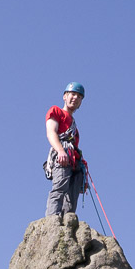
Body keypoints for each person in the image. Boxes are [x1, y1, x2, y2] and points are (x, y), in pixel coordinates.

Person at [45, 82, 86, 216]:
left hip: (74, 160)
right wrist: (60, 151)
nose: (75, 98)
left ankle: (67, 221)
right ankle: (53, 219)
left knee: (72, 197)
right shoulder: (56, 111)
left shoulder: (75, 128)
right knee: (60, 188)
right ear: (65, 96)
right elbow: (51, 132)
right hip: (63, 155)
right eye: (73, 94)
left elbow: (75, 147)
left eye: (79, 97)